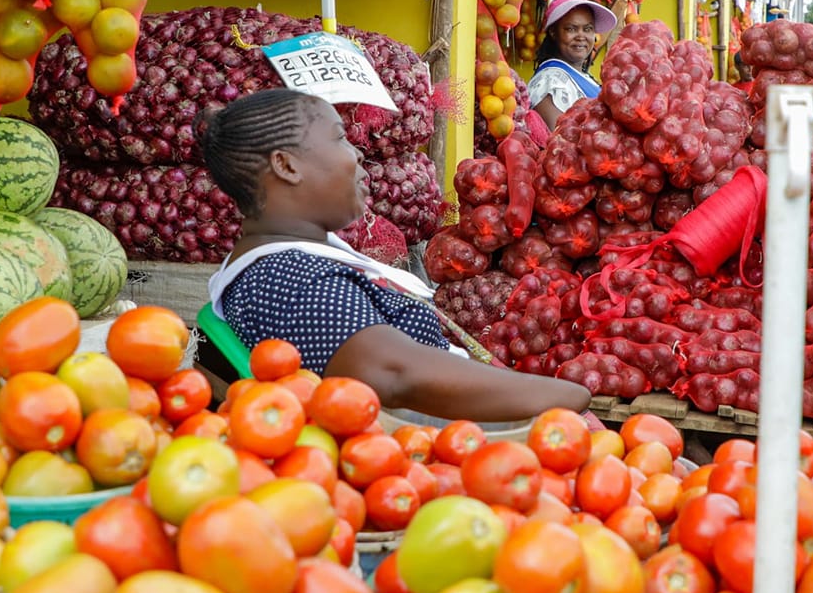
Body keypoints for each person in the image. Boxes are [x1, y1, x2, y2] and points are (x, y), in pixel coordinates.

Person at [195, 88, 591, 427]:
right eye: (339, 139)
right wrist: (564, 397)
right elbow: (391, 373)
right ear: (286, 165)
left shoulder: (294, 262)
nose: (358, 156)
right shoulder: (285, 277)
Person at [528, 0, 617, 128]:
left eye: (588, 29)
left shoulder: (583, 76)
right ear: (553, 32)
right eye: (571, 29)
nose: (581, 36)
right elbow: (559, 141)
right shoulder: (550, 81)